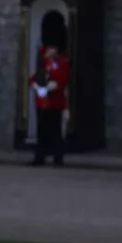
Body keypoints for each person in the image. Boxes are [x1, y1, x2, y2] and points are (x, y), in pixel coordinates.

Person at [29, 24, 68, 168]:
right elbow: (35, 77)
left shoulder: (62, 62)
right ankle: (40, 157)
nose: (49, 50)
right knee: (42, 131)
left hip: (55, 102)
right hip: (42, 102)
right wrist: (36, 86)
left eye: (52, 48)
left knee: (55, 131)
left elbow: (62, 80)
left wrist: (51, 87)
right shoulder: (44, 61)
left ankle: (58, 158)